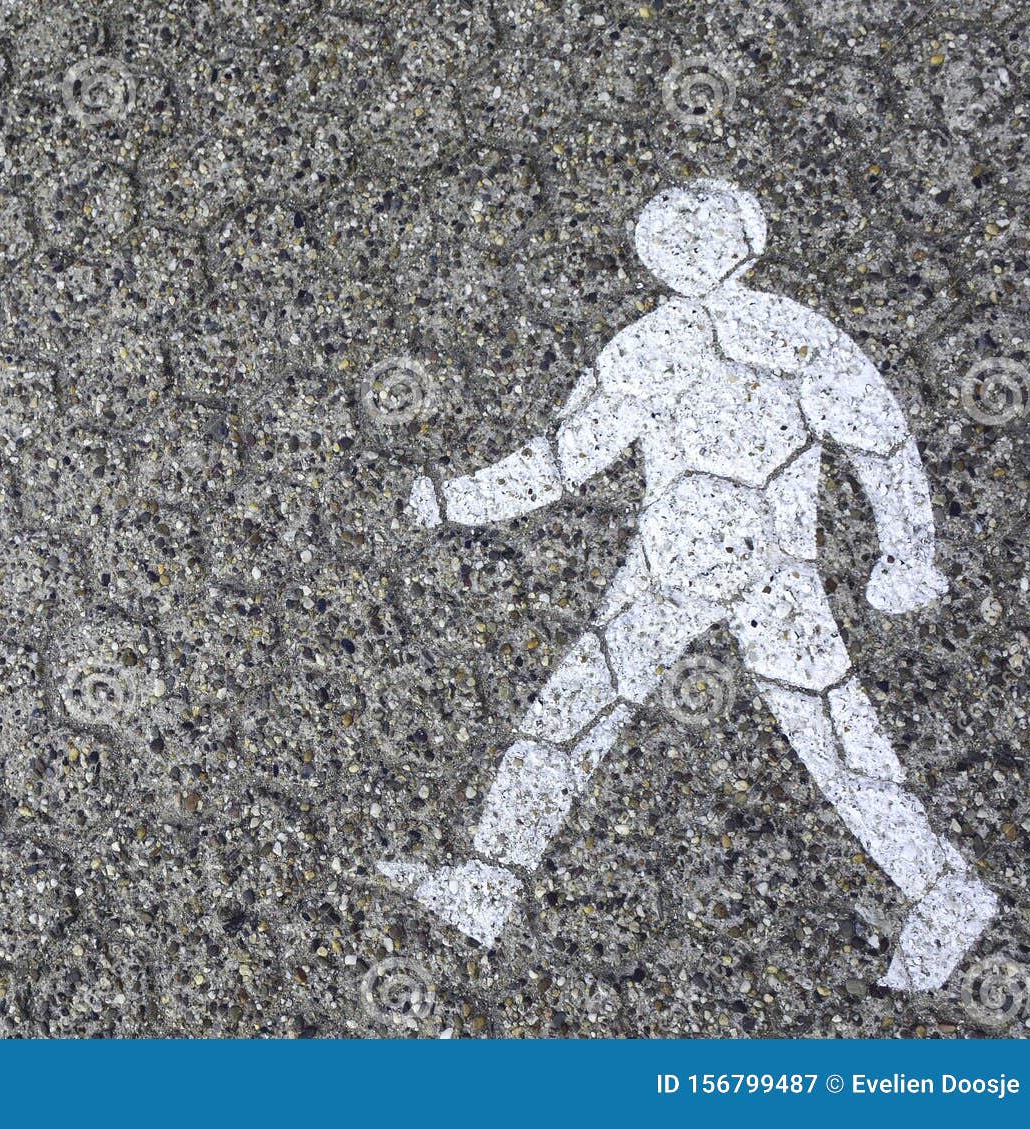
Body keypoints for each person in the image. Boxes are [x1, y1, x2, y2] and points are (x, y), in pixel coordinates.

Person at [379, 179, 996, 992]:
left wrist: (451, 501)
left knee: (586, 718)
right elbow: (880, 440)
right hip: (722, 567)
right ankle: (489, 883)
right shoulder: (787, 332)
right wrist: (904, 549)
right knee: (817, 735)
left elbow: (559, 463)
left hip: (715, 567)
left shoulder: (664, 344)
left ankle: (945, 891)